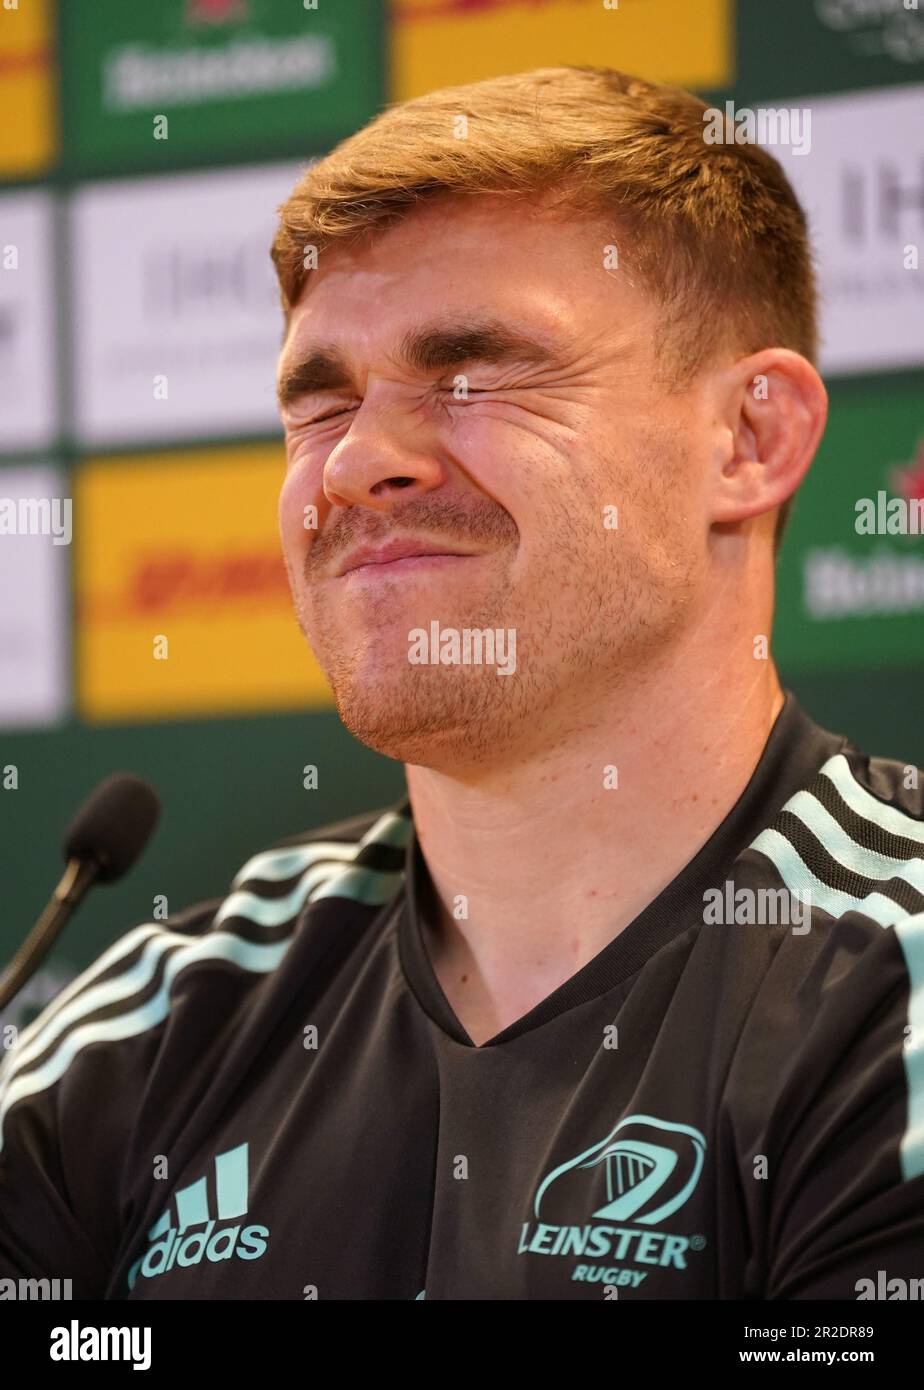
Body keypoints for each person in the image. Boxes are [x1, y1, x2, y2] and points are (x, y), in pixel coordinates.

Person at [1, 66, 922, 1301]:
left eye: (476, 374)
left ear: (750, 439)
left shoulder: (890, 986)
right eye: (320, 402)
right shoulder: (151, 1028)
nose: (359, 462)